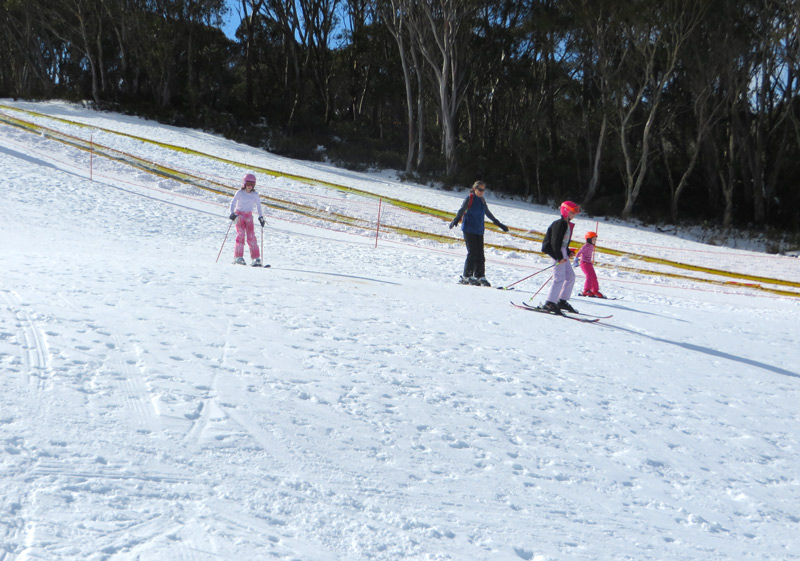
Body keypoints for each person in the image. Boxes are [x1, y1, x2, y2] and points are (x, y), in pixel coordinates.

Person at [449, 181, 509, 286]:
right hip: (469, 229)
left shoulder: (482, 200)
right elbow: (462, 210)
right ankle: (467, 276)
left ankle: (480, 276)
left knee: (480, 254)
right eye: (480, 190)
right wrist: (456, 219)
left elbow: (488, 213)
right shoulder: (470, 199)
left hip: (479, 230)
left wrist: (499, 224)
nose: (482, 192)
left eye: (483, 190)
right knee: (472, 253)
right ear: (475, 189)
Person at [540, 201, 580, 314]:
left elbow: (563, 242)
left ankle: (562, 301)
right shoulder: (559, 224)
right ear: (566, 211)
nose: (574, 214)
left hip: (562, 252)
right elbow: (554, 242)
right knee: (559, 278)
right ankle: (549, 303)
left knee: (570, 276)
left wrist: (568, 252)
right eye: (573, 212)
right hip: (556, 252)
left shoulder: (566, 224)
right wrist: (559, 257)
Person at [229, 173, 265, 266]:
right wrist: (232, 213)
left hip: (249, 217)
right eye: (248, 184)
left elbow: (258, 206)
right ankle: (238, 257)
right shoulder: (240, 193)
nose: (250, 187)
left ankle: (256, 258)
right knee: (240, 235)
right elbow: (233, 203)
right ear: (244, 184)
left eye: (252, 185)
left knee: (251, 237)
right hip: (239, 216)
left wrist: (261, 217)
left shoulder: (255, 195)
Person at [574, 231, 604, 298]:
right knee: (589, 275)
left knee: (594, 276)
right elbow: (579, 252)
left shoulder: (591, 245)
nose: (595, 241)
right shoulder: (586, 246)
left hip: (589, 263)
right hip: (584, 263)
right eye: (593, 239)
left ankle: (595, 290)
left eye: (595, 239)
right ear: (589, 239)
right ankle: (586, 290)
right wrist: (576, 259)